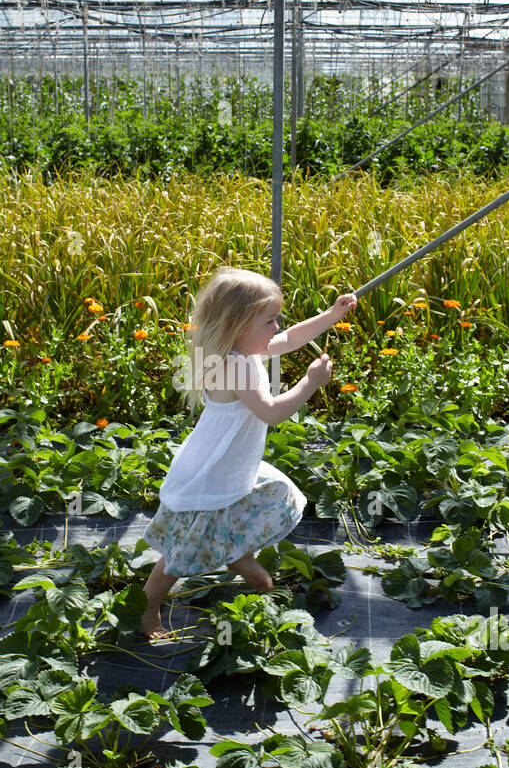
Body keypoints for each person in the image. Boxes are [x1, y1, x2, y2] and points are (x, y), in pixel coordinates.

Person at [140, 266, 355, 640]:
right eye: (269, 321)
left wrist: (331, 315)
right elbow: (270, 412)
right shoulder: (234, 366)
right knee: (179, 552)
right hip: (213, 472)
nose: (276, 327)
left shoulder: (242, 349)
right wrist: (310, 382)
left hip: (231, 466)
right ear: (237, 325)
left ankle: (238, 556)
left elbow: (290, 338)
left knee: (257, 500)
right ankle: (148, 609)